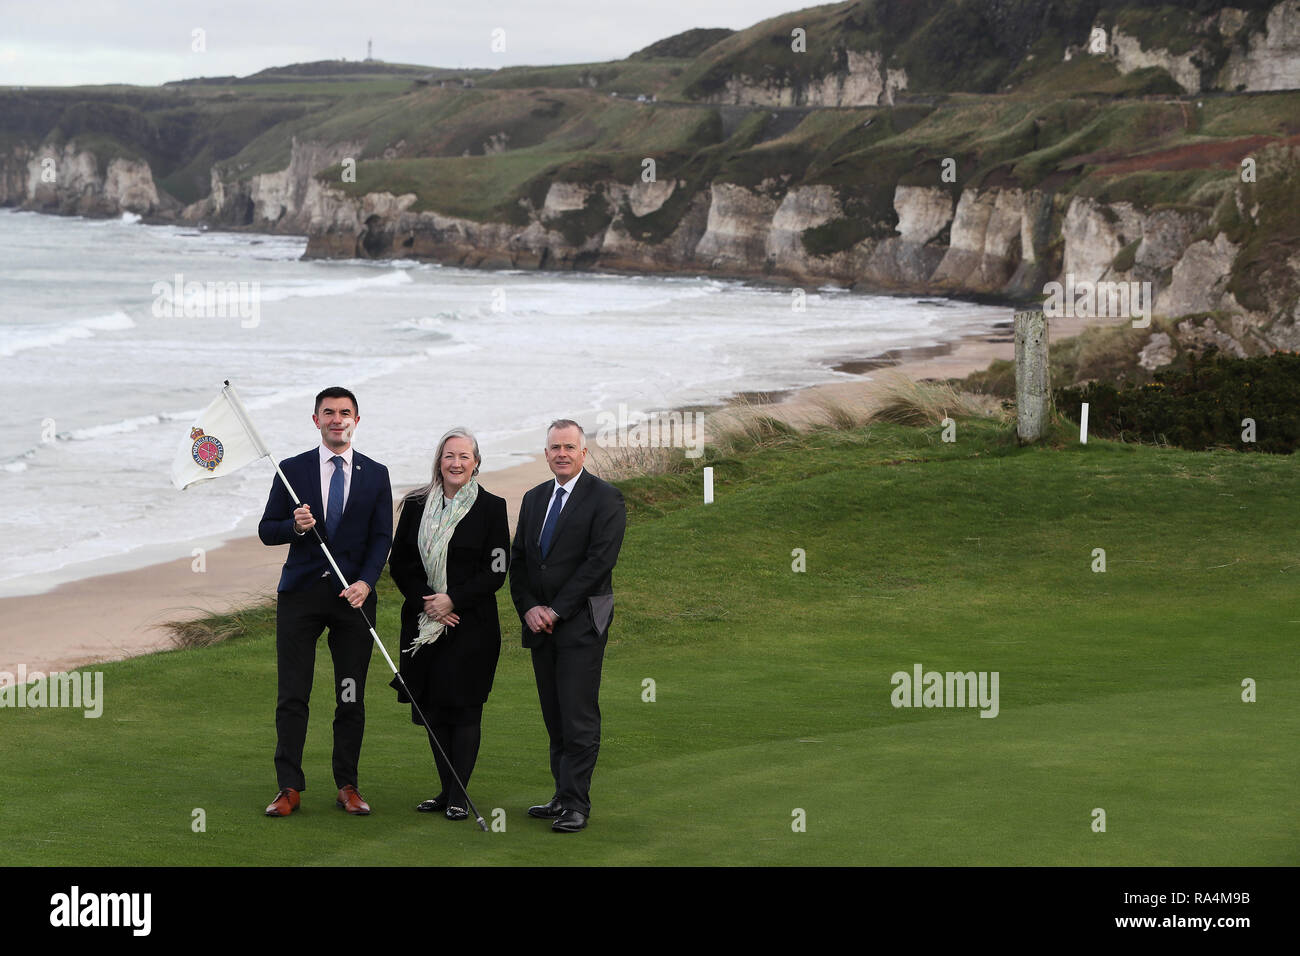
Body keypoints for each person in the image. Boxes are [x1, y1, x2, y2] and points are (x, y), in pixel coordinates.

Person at [257, 387, 393, 817]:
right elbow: (266, 529)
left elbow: (381, 537)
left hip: (352, 600)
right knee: (293, 693)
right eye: (329, 413)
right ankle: (289, 787)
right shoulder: (291, 470)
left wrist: (367, 583)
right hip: (300, 596)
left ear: (357, 420)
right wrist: (294, 527)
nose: (337, 419)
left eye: (345, 413)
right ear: (315, 420)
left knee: (349, 695)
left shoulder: (376, 473)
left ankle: (347, 785)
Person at [510, 419, 626, 833]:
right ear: (545, 454)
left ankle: (577, 804)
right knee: (554, 717)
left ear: (583, 452)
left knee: (578, 718)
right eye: (554, 447)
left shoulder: (606, 498)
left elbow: (598, 564)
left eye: (569, 447)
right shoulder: (534, 497)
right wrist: (528, 608)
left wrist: (555, 610)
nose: (561, 453)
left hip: (579, 626)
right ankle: (561, 795)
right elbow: (520, 560)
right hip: (539, 626)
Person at [388, 427, 509, 820]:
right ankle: (445, 790)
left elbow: (497, 570)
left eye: (464, 457)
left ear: (476, 463)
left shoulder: (492, 507)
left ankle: (459, 795)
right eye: (449, 456)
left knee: (465, 709)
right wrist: (430, 601)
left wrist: (452, 599)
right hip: (423, 623)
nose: (456, 463)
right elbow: (401, 563)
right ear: (439, 461)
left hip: (470, 625)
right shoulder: (416, 504)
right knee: (434, 709)